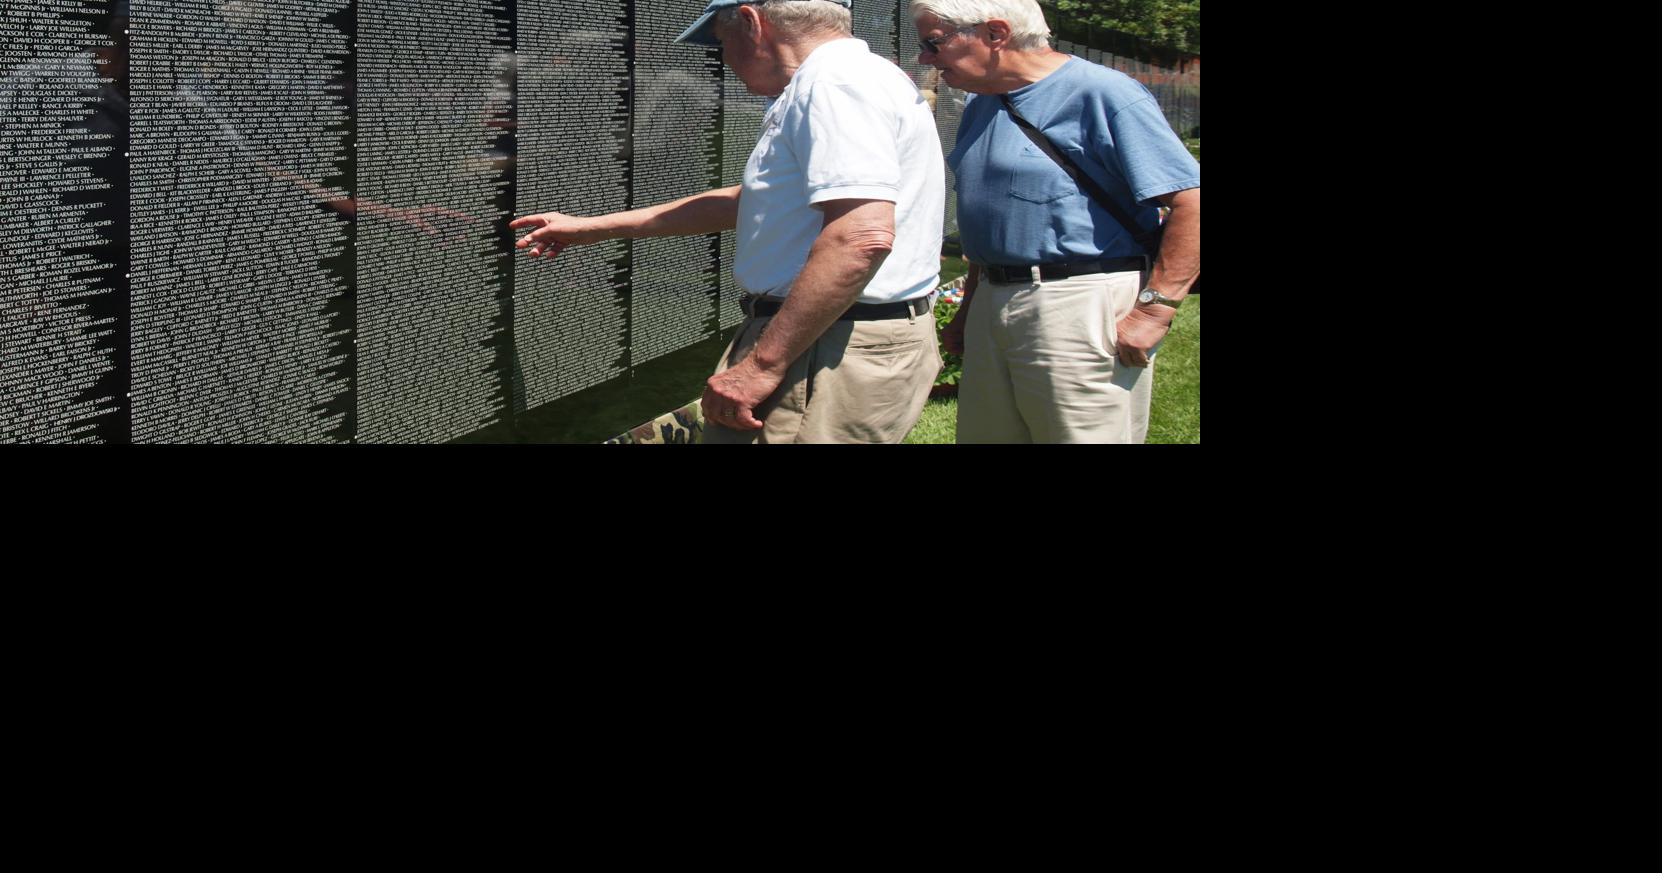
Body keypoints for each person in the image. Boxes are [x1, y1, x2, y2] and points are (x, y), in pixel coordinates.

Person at [513, 0, 945, 443]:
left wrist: (762, 365)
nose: (724, 60)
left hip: (827, 346)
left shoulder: (835, 85)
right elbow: (756, 201)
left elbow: (862, 235)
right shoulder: (848, 78)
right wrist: (591, 227)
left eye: (721, 43)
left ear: (750, 22)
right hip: (824, 335)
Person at [911, 0, 1200, 443]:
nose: (923, 58)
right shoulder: (982, 105)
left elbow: (1191, 202)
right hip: (993, 298)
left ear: (995, 34)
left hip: (1077, 302)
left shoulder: (1102, 93)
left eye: (933, 43)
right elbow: (995, 219)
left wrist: (1156, 309)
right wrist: (969, 309)